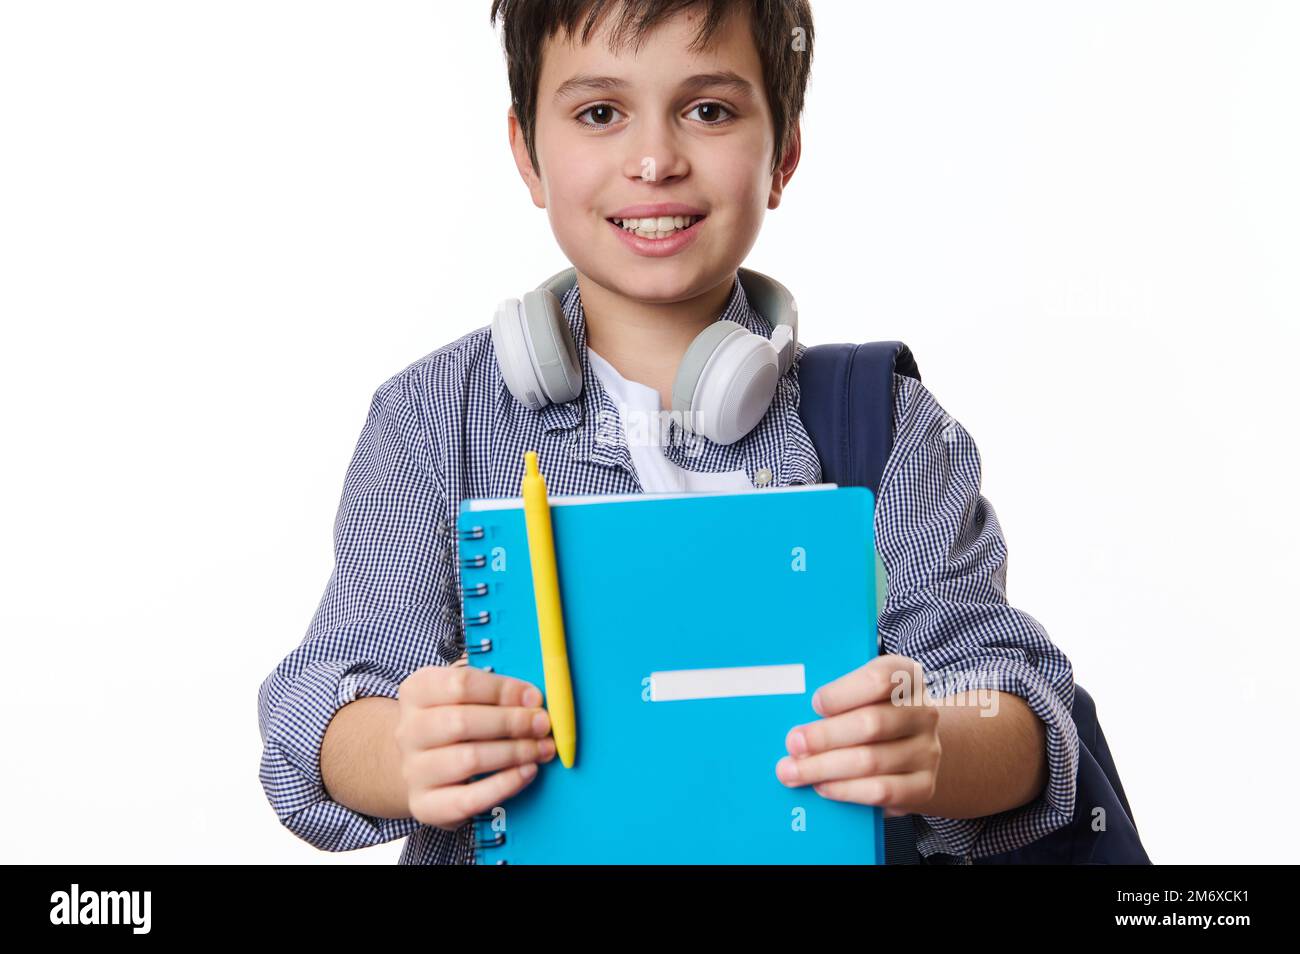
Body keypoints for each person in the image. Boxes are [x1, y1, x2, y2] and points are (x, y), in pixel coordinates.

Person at [256, 0, 1078, 865]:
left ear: (783, 153)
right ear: (526, 154)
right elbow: (314, 716)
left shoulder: (887, 426)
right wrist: (400, 749)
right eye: (600, 113)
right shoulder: (433, 419)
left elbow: (1019, 710)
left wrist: (935, 743)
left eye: (710, 110)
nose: (654, 160)